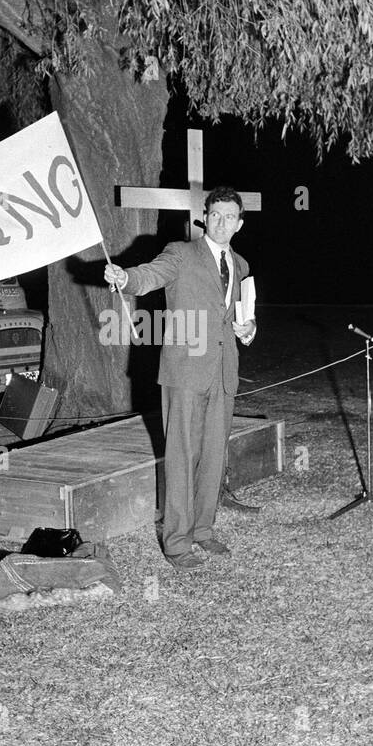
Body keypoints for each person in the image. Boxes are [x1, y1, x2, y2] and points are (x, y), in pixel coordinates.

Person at [104, 187, 257, 570]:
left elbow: (240, 315)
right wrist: (126, 277)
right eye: (215, 215)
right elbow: (149, 276)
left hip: (224, 374)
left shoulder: (240, 264)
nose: (222, 223)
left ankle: (204, 530)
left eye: (229, 217)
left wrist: (249, 329)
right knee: (181, 457)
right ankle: (176, 542)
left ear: (240, 223)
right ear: (205, 217)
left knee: (212, 457)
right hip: (185, 372)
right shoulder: (181, 253)